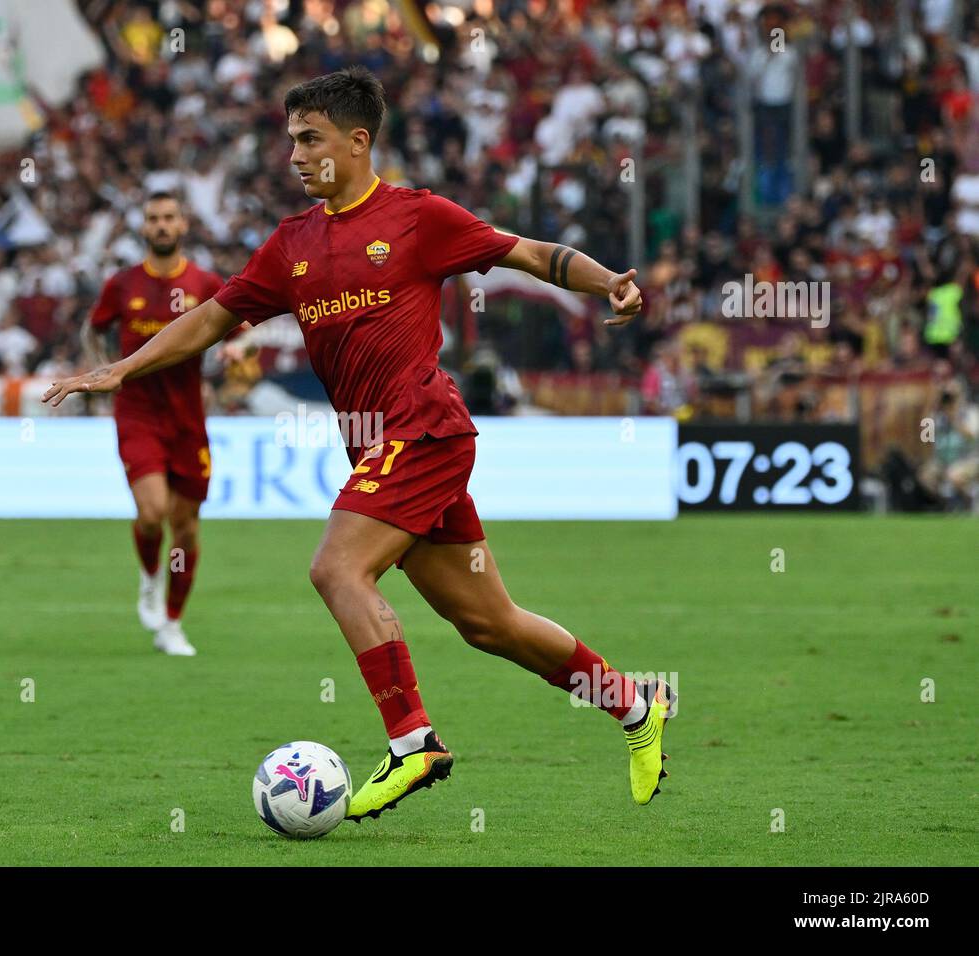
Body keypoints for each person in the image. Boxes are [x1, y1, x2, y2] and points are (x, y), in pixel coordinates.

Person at [45, 68, 672, 819]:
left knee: (337, 568)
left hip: (425, 430)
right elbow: (213, 318)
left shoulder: (417, 218)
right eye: (290, 142)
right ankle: (635, 707)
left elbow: (529, 254)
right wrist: (122, 367)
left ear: (357, 140)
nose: (295, 156)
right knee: (488, 624)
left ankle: (414, 743)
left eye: (310, 140)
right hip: (381, 449)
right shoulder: (292, 244)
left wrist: (611, 284)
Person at [80, 192, 225, 657]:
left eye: (169, 218)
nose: (161, 226)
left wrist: (238, 355)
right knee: (152, 513)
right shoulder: (122, 284)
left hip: (188, 420)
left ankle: (172, 623)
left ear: (183, 225)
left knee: (185, 528)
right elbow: (93, 329)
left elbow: (237, 330)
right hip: (138, 413)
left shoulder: (205, 282)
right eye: (153, 219)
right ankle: (149, 578)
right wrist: (101, 370)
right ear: (143, 228)